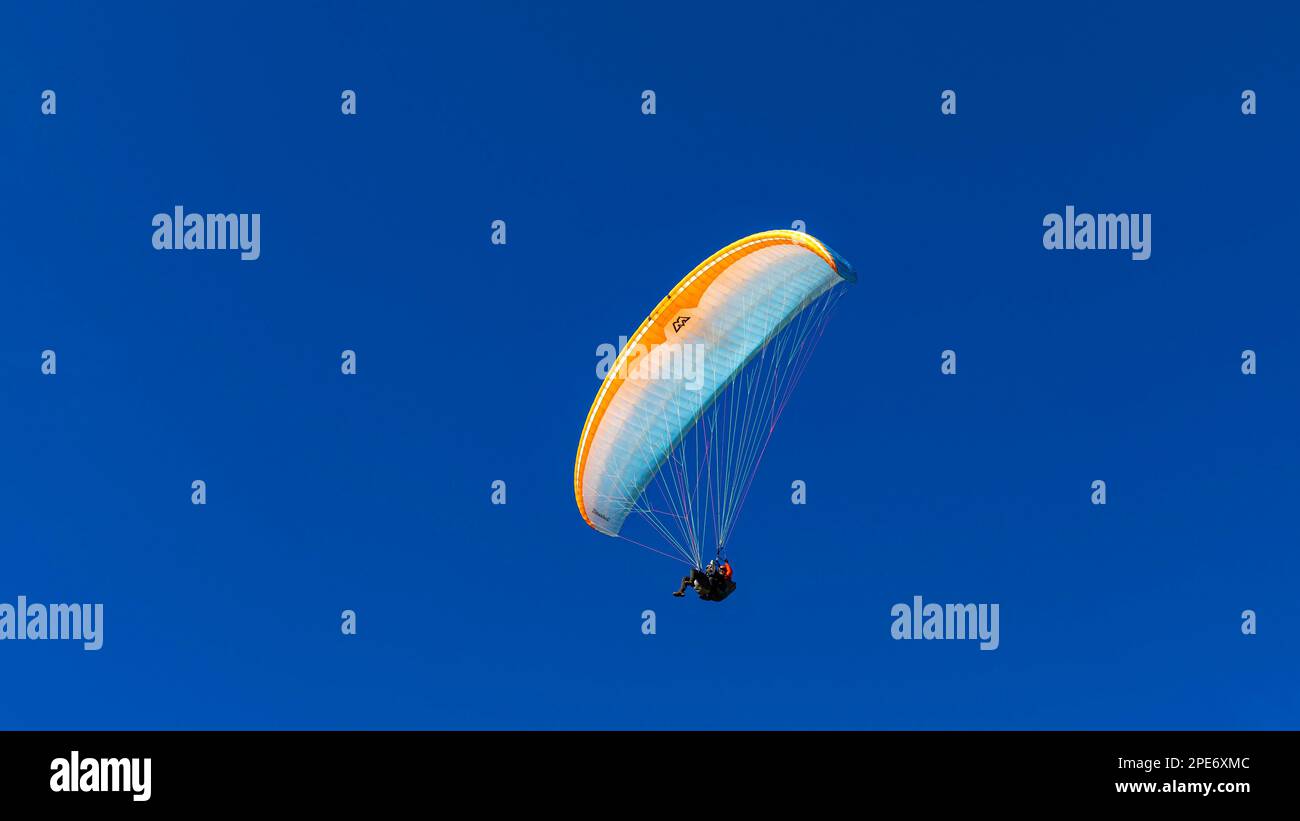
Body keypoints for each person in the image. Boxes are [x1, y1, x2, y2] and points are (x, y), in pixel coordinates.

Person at [672, 559, 736, 601]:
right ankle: (681, 591)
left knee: (693, 570)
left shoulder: (724, 577)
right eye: (720, 569)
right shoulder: (714, 574)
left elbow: (729, 571)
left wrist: (726, 563)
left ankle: (691, 581)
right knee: (685, 578)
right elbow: (712, 574)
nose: (721, 570)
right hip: (705, 585)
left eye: (723, 569)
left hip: (709, 587)